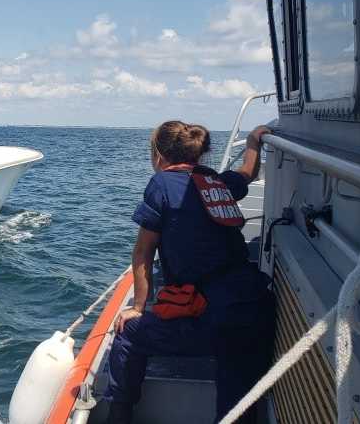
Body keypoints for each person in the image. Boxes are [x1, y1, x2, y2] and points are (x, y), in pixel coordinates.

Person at [102, 121, 274, 424]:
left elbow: (143, 252)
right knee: (236, 407)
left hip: (213, 319)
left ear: (158, 155)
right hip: (255, 311)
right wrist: (252, 142)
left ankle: (118, 417)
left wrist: (138, 307)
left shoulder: (161, 184)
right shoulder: (216, 182)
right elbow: (248, 172)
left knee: (128, 335)